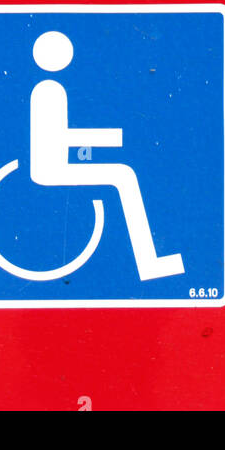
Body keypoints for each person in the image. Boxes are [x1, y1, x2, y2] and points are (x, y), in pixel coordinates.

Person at [29, 30, 184, 282]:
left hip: (56, 163)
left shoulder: (49, 88)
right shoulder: (49, 90)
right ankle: (149, 263)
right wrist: (111, 138)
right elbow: (54, 138)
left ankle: (150, 262)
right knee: (123, 175)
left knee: (123, 174)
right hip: (50, 168)